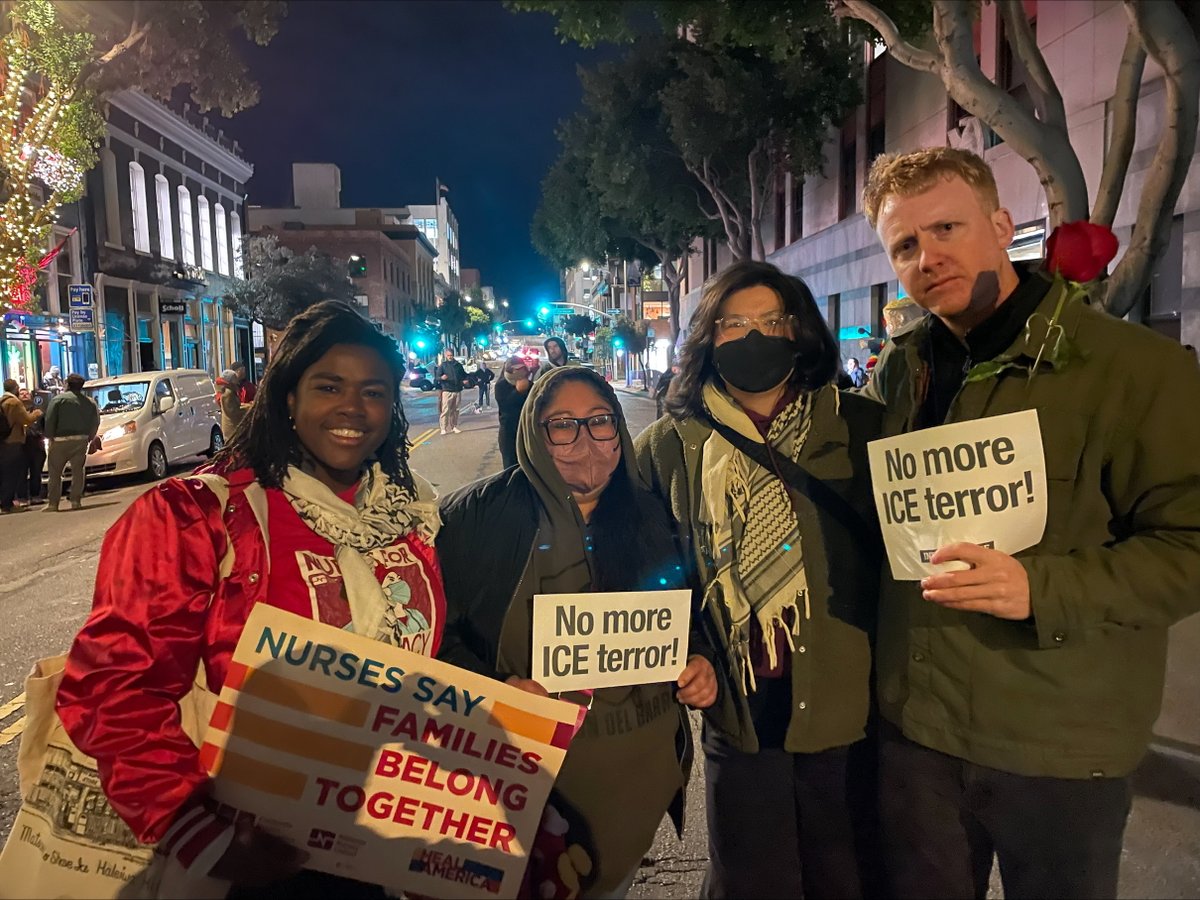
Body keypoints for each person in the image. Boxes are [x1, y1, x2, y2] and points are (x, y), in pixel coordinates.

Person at [860, 146, 1200, 899]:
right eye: (905, 246)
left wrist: (1042, 589)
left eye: (946, 228)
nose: (927, 257)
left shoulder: (1133, 370)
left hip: (1058, 748)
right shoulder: (901, 373)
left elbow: (1188, 544)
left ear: (1001, 226)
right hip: (918, 739)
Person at [56, 301, 447, 898]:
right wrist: (194, 831)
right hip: (249, 857)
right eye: (328, 387)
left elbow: (423, 665)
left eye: (373, 391)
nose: (352, 407)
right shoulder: (197, 515)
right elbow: (115, 686)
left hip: (383, 843)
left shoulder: (410, 512)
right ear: (287, 398)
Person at [635, 260, 884, 899]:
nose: (753, 338)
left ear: (800, 331)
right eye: (732, 324)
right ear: (706, 338)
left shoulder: (862, 428)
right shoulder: (668, 447)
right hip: (738, 713)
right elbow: (647, 574)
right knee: (749, 882)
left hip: (849, 715)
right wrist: (689, 649)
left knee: (846, 881)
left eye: (771, 321)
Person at [436, 365, 718, 899]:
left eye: (600, 421)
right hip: (522, 799)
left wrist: (700, 661)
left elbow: (684, 616)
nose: (585, 440)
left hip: (635, 796)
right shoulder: (474, 519)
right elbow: (432, 636)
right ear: (534, 433)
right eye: (562, 425)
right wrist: (491, 691)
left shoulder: (651, 513)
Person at [42, 374, 99, 512]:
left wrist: (49, 436)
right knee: (78, 471)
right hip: (81, 439)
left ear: (67, 384)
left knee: (55, 473)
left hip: (60, 440)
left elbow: (50, 419)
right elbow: (95, 421)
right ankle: (75, 500)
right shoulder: (89, 402)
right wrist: (90, 437)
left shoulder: (58, 400)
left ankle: (53, 503)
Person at [1, 379, 42, 515]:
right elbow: (26, 420)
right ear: (16, 388)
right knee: (12, 473)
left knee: (6, 473)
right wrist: (36, 414)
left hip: (3, 440)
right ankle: (7, 504)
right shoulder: (14, 402)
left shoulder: (2, 401)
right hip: (13, 440)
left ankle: (6, 502)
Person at [495, 355, 532, 469]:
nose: (519, 372)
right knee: (510, 466)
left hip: (526, 429)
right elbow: (505, 406)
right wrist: (518, 391)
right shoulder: (501, 385)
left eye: (521, 368)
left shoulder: (529, 384)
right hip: (509, 432)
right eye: (516, 369)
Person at [15, 389, 46, 507]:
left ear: (32, 397)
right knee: (20, 473)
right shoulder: (15, 412)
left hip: (36, 445)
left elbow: (44, 427)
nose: (24, 395)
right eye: (21, 393)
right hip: (20, 446)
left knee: (36, 472)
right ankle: (22, 497)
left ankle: (35, 495)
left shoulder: (38, 412)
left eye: (27, 393)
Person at [434, 346, 467, 434]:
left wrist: (465, 380)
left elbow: (464, 375)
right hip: (447, 390)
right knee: (445, 410)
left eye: (451, 355)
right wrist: (441, 378)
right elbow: (437, 377)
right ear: (446, 355)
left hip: (457, 390)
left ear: (453, 355)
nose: (450, 357)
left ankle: (454, 426)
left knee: (455, 410)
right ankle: (443, 428)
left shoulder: (458, 365)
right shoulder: (443, 365)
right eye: (448, 355)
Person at [215, 368, 247, 440]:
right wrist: (248, 408)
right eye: (235, 378)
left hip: (232, 430)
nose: (237, 381)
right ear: (231, 381)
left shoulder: (230, 392)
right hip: (231, 430)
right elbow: (234, 411)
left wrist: (247, 405)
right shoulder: (228, 394)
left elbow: (236, 406)